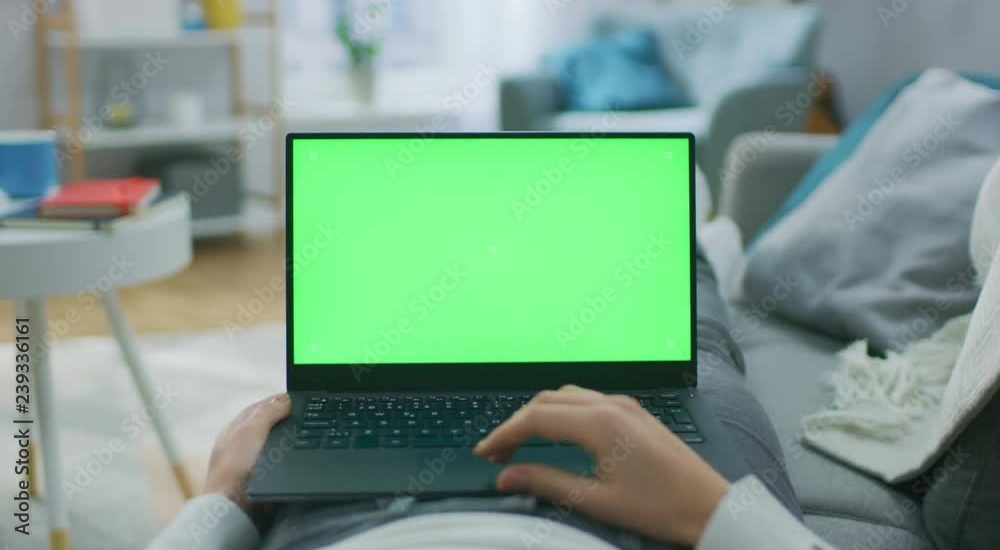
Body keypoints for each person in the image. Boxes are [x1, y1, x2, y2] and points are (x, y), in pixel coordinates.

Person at [148, 248, 838, 550]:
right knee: (696, 346)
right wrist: (711, 508)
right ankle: (687, 245)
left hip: (349, 526)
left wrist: (222, 500)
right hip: (640, 525)